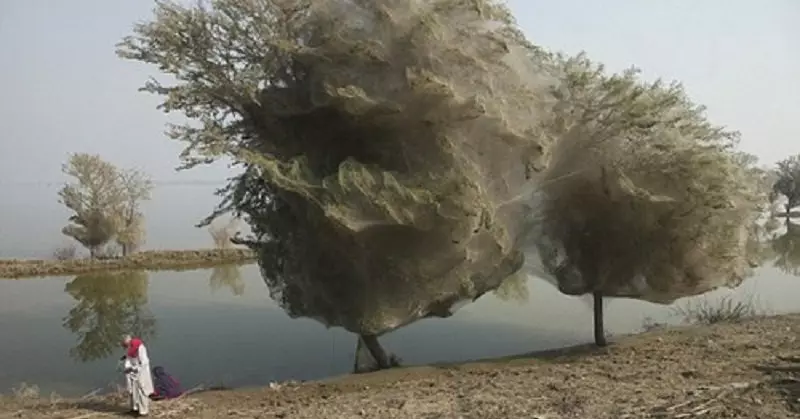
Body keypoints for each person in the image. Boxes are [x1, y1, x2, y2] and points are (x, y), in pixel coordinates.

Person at [120, 335, 155, 417]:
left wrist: (134, 368)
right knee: (132, 390)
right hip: (132, 373)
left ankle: (143, 412)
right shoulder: (130, 347)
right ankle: (134, 409)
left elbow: (145, 362)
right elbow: (129, 357)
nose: (125, 347)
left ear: (128, 341)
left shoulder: (140, 347)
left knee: (141, 391)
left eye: (125, 345)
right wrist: (126, 361)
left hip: (141, 372)